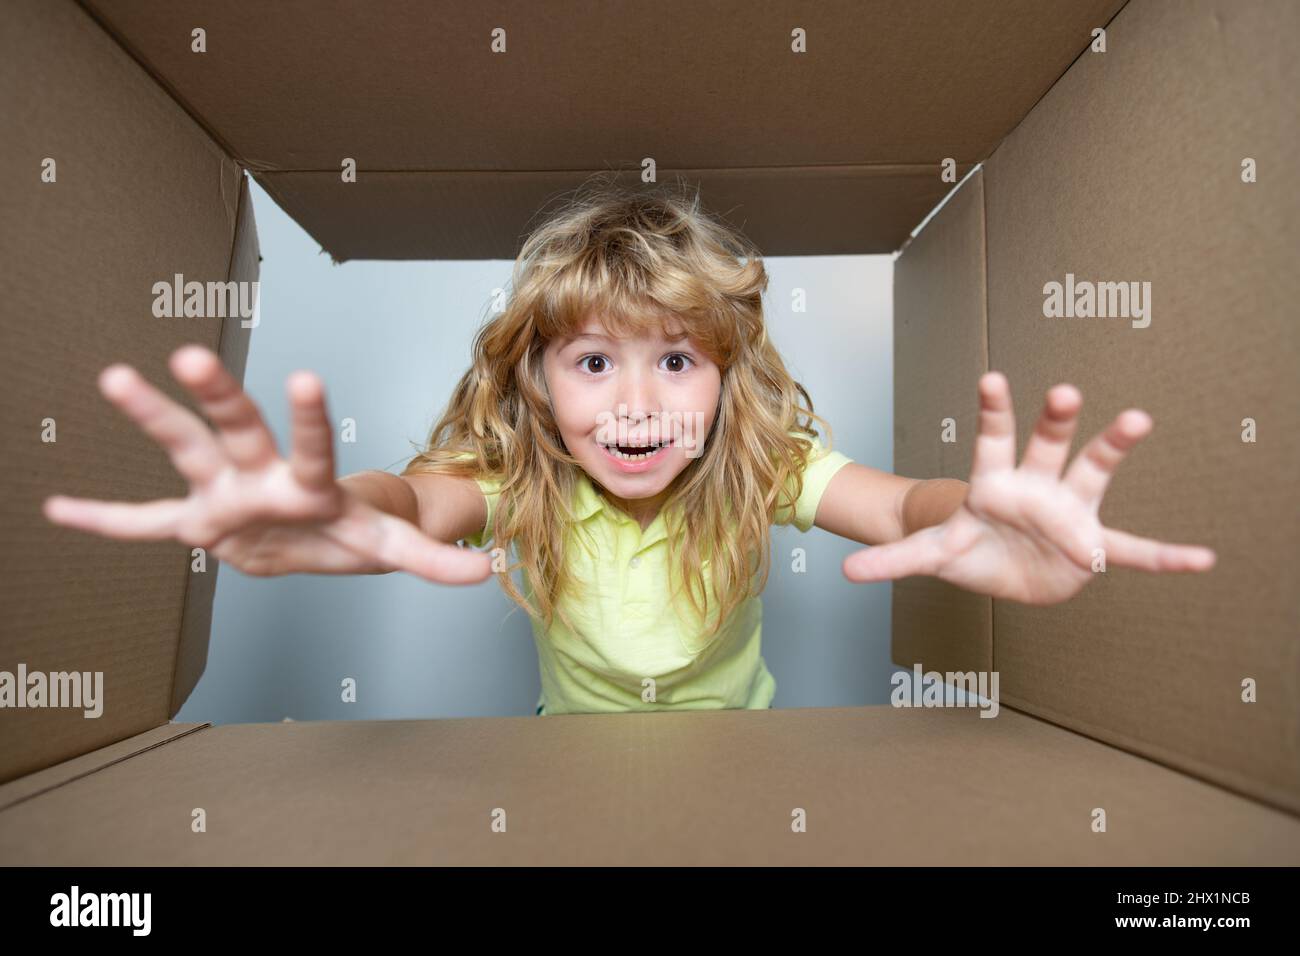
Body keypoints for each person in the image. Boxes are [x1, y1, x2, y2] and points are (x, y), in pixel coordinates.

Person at [41, 176, 1216, 717]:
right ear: (536, 382)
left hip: (748, 774)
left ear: (725, 373)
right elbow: (411, 498)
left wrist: (972, 516)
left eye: (677, 358)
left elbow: (902, 506)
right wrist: (336, 510)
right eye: (593, 362)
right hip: (566, 775)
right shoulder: (516, 475)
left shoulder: (763, 466)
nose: (637, 402)